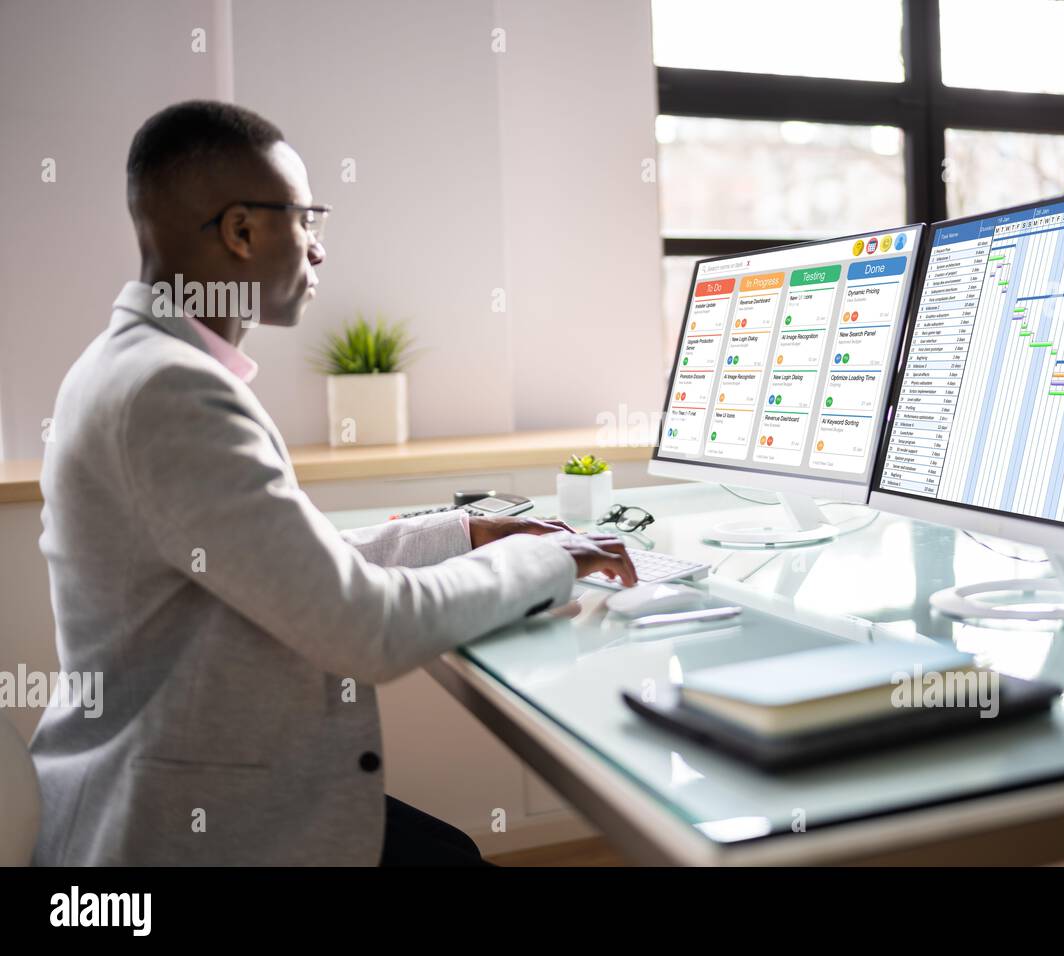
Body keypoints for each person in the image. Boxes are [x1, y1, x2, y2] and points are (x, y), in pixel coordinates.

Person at [28, 100, 636, 866]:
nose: (318, 249)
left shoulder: (138, 366)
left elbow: (292, 568)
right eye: (306, 218)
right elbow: (363, 629)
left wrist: (465, 533)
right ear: (243, 232)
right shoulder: (169, 392)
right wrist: (549, 562)